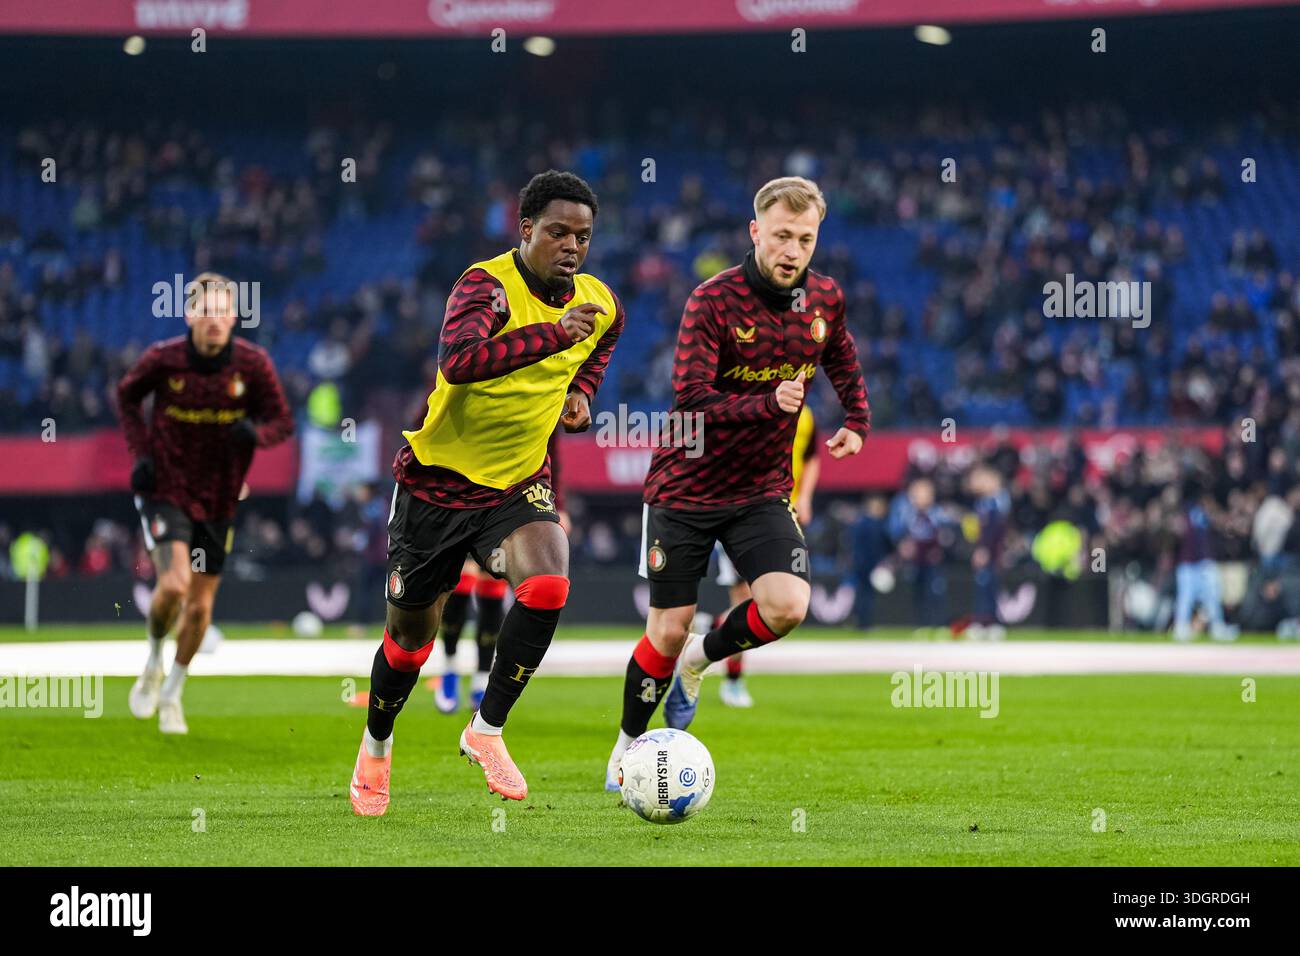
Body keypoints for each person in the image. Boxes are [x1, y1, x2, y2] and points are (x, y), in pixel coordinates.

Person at [349, 171, 623, 814]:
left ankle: (486, 729)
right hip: (436, 484)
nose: (571, 247)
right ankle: (377, 744)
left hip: (517, 483)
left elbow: (601, 345)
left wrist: (582, 392)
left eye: (582, 236)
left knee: (548, 584)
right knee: (409, 643)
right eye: (558, 232)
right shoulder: (485, 285)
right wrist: (555, 336)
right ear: (525, 228)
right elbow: (459, 361)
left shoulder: (601, 302)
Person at [605, 176, 869, 790]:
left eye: (805, 239)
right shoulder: (712, 301)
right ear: (756, 232)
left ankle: (700, 660)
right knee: (666, 628)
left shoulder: (825, 298)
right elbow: (689, 397)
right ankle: (625, 747)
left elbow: (841, 353)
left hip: (760, 490)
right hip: (684, 486)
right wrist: (768, 404)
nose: (793, 251)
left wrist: (858, 418)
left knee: (787, 605)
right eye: (781, 236)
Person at [117, 272, 293, 734]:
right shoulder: (164, 360)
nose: (215, 320)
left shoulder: (252, 365)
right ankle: (153, 659)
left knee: (199, 607)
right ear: (190, 314)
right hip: (166, 488)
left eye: (223, 312)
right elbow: (126, 396)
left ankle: (173, 690)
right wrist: (141, 454)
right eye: (206, 311)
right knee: (174, 585)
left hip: (219, 495)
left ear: (234, 317)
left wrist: (256, 433)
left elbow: (282, 421)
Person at [710, 404, 819, 708]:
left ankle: (712, 628)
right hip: (743, 518)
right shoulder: (749, 406)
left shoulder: (806, 415)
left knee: (782, 604)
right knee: (745, 601)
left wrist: (806, 497)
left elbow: (811, 458)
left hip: (784, 519)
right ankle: (733, 679)